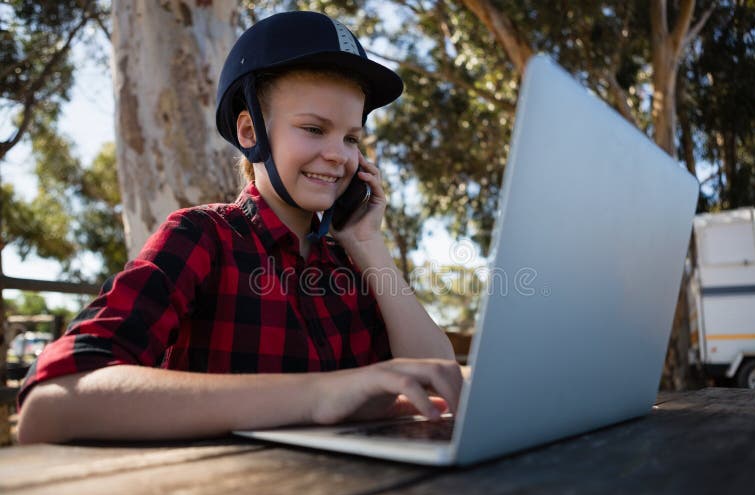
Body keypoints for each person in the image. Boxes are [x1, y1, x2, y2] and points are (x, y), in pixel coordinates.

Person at [16, 11, 461, 444]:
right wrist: (319, 395)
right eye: (313, 129)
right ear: (250, 133)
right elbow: (50, 404)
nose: (339, 155)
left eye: (350, 138)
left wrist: (368, 243)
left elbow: (440, 386)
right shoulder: (201, 237)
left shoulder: (352, 264)